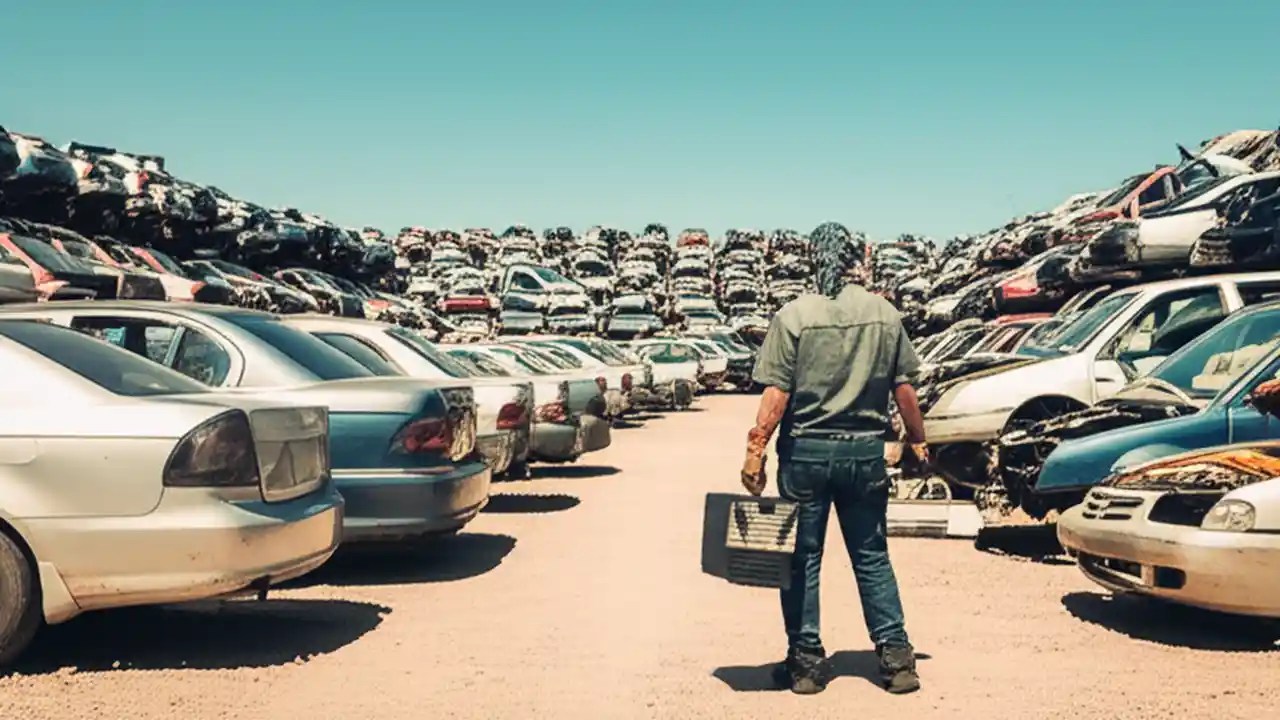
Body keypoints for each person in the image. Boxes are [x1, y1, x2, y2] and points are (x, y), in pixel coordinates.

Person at [742, 221, 928, 696]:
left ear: (812, 256)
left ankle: (805, 663)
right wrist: (918, 442)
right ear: (852, 258)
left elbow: (777, 392)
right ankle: (896, 658)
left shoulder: (795, 315)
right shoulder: (884, 314)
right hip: (865, 456)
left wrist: (756, 449)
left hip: (805, 454)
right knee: (871, 555)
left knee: (802, 560)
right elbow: (905, 390)